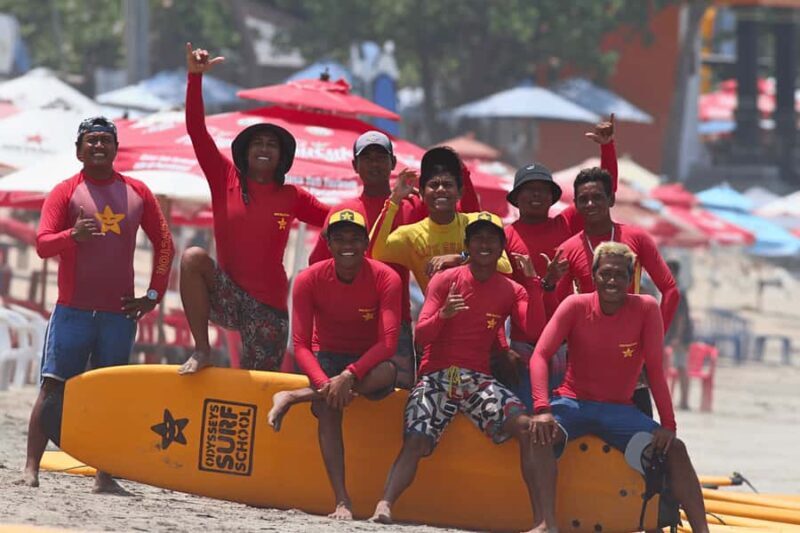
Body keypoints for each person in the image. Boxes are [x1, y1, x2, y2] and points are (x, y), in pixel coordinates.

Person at [18, 116, 175, 491]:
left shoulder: (137, 191)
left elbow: (166, 244)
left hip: (118, 314)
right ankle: (30, 468)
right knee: (52, 387)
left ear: (116, 149)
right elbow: (42, 244)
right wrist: (72, 235)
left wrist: (153, 296)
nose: (99, 146)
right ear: (78, 150)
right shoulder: (65, 191)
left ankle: (105, 474)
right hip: (73, 309)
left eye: (106, 140)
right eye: (91, 141)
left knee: (112, 395)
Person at [370, 213, 550, 532]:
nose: (484, 244)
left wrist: (533, 282)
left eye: (491, 240)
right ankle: (385, 503)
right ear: (467, 245)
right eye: (477, 238)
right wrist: (444, 315)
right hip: (439, 374)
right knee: (417, 439)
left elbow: (534, 329)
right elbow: (420, 337)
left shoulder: (511, 289)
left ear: (501, 249)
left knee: (527, 428)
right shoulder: (446, 279)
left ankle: (542, 521)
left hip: (478, 380)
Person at [527, 242, 708, 533]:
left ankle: (702, 530)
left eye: (620, 275)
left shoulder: (646, 308)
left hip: (619, 410)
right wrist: (541, 408)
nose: (612, 281)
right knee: (536, 434)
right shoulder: (575, 305)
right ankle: (547, 522)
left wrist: (668, 425)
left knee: (675, 449)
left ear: (630, 277)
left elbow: (655, 370)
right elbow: (540, 355)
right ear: (594, 274)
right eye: (606, 273)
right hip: (574, 403)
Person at [178, 43, 329, 374]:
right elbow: (196, 131)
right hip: (227, 297)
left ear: (281, 157)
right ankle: (202, 350)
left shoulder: (292, 196)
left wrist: (317, 265)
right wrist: (194, 78)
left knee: (258, 387)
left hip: (268, 309)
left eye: (271, 144)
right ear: (244, 153)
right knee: (192, 258)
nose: (263, 148)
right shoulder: (224, 177)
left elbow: (338, 222)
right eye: (257, 143)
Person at [267, 208, 401, 520]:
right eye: (339, 238)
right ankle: (342, 501)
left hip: (369, 360)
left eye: (355, 238)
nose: (347, 245)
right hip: (327, 357)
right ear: (328, 243)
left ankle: (294, 397)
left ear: (366, 242)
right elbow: (299, 345)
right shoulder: (308, 279)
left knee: (388, 372)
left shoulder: (386, 277)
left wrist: (349, 375)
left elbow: (389, 344)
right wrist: (330, 382)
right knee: (329, 408)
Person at [505, 116, 618, 410]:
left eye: (543, 189)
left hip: (567, 342)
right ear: (516, 198)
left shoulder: (566, 224)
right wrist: (502, 347)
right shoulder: (504, 236)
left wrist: (607, 148)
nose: (536, 195)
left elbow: (604, 191)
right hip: (522, 344)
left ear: (553, 198)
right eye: (529, 190)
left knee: (563, 415)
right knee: (527, 416)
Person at [556, 167, 679, 415]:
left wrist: (652, 343)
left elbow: (670, 290)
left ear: (611, 199)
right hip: (586, 356)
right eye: (583, 199)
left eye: (598, 197)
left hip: (631, 351)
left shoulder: (636, 238)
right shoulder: (568, 249)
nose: (590, 204)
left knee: (642, 444)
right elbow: (558, 304)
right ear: (576, 204)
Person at [665, 260, 693, 410]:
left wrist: (677, 337)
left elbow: (681, 317)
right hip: (674, 336)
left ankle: (684, 401)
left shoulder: (679, 293)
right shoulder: (671, 290)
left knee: (681, 367)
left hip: (680, 337)